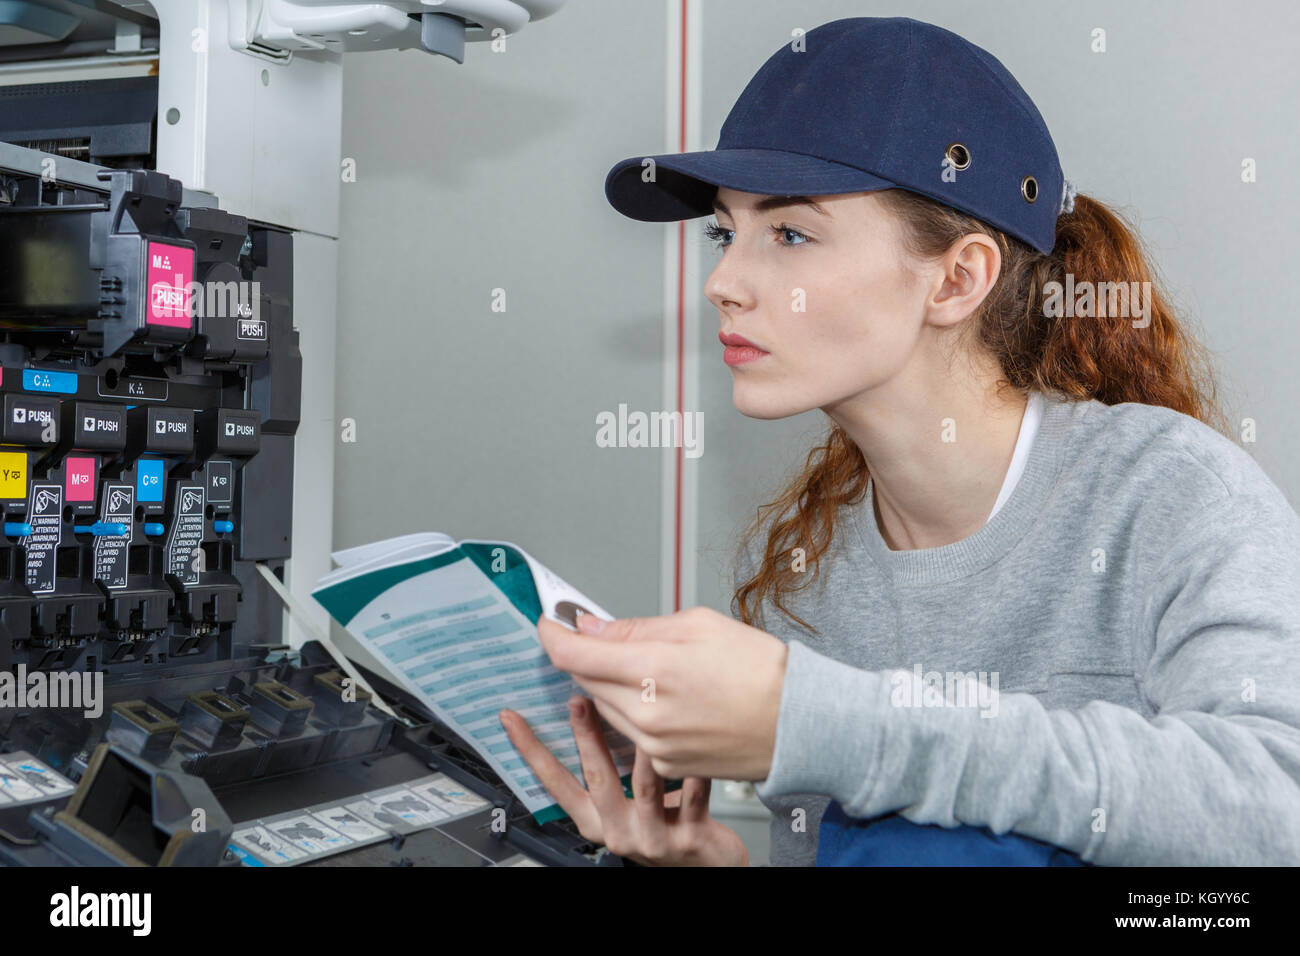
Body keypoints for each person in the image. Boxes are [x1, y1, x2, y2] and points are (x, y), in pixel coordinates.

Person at [498, 16, 1300, 866]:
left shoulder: (1170, 494)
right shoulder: (805, 581)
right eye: (726, 232)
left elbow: (1273, 809)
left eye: (791, 233)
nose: (723, 283)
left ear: (958, 278)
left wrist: (821, 723)